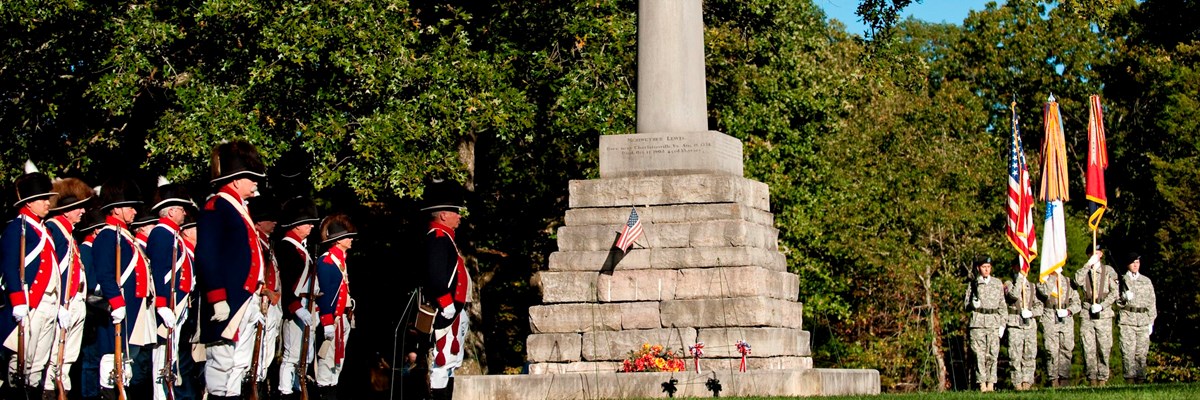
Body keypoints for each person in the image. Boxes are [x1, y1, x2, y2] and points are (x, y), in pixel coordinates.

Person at [196, 140, 268, 400]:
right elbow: (207, 256)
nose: (256, 182)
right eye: (251, 177)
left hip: (245, 297)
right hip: (228, 298)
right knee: (221, 364)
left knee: (238, 365)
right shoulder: (217, 206)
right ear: (236, 180)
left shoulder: (238, 208)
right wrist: (217, 297)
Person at [92, 176, 156, 398]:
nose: (135, 212)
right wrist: (116, 302)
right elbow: (105, 273)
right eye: (130, 207)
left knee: (126, 362)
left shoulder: (124, 236)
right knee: (112, 362)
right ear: (117, 209)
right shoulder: (108, 236)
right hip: (118, 309)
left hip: (133, 309)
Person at [1, 161, 61, 398]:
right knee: (22, 363)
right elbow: (9, 265)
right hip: (30, 302)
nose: (48, 202)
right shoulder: (17, 228)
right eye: (43, 198)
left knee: (39, 364)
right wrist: (17, 299)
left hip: (49, 303)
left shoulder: (44, 229)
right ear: (28, 202)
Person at [44, 177, 95, 396]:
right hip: (61, 303)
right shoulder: (54, 229)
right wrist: (59, 305)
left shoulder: (68, 232)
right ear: (65, 211)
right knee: (54, 357)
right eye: (78, 207)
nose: (83, 211)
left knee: (67, 359)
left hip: (74, 301)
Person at [146, 177, 196, 400]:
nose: (185, 213)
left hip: (179, 303)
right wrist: (162, 305)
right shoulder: (161, 233)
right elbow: (159, 272)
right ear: (172, 211)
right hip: (168, 304)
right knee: (162, 359)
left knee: (171, 357)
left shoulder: (172, 233)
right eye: (182, 209)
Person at [422, 179, 470, 400]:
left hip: (453, 311)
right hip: (445, 311)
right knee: (442, 362)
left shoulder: (445, 238)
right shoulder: (439, 239)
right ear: (443, 215)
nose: (459, 216)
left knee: (450, 362)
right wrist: (447, 304)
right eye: (455, 212)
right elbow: (435, 275)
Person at [276, 197, 319, 399]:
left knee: (305, 354)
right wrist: (295, 307)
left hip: (306, 305)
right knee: (291, 354)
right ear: (297, 225)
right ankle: (286, 392)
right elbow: (285, 280)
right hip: (296, 306)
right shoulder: (286, 247)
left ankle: (295, 386)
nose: (311, 226)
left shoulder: (301, 247)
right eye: (308, 223)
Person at [313, 214, 357, 399]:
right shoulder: (327, 261)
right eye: (348, 237)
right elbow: (325, 294)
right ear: (338, 241)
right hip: (332, 320)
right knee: (326, 363)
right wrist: (328, 321)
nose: (351, 239)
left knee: (336, 364)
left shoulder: (340, 260)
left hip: (342, 319)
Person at [248, 195, 283, 398]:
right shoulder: (256, 242)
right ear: (260, 221)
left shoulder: (266, 243)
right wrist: (265, 291)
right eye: (270, 218)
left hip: (270, 305)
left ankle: (258, 386)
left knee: (266, 353)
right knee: (255, 353)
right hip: (260, 303)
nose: (275, 222)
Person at [1075, 245, 1119, 386]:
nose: (1095, 255)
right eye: (1092, 253)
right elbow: (1077, 281)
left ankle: (1103, 379)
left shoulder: (1108, 271)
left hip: (1103, 314)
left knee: (1104, 348)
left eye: (1097, 253)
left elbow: (1115, 292)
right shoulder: (1084, 271)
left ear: (1101, 254)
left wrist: (1102, 305)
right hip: (1087, 313)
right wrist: (1088, 265)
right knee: (1088, 349)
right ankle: (1092, 379)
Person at [964, 255, 1005, 392]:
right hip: (978, 323)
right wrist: (972, 304)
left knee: (993, 354)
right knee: (979, 354)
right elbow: (966, 305)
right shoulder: (973, 283)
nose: (986, 270)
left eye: (988, 267)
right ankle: (981, 383)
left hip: (993, 322)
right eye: (983, 267)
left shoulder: (998, 283)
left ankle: (991, 383)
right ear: (978, 268)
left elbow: (1002, 306)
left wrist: (1002, 324)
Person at [1118, 252, 1156, 384]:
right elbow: (1116, 301)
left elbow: (1152, 302)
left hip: (1143, 320)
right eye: (1133, 262)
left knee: (1142, 353)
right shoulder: (1122, 280)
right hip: (1127, 321)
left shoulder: (1146, 281)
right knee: (1128, 352)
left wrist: (1151, 321)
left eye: (1137, 262)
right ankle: (1129, 381)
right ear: (1128, 264)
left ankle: (1140, 381)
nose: (1135, 265)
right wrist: (1123, 297)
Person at [1038, 268, 1081, 387]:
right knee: (1051, 351)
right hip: (1050, 317)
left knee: (1066, 349)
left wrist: (1068, 311)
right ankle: (1053, 380)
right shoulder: (1043, 281)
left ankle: (1065, 380)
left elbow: (1077, 303)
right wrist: (1053, 276)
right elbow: (1045, 292)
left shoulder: (1068, 282)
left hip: (1066, 320)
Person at [1003, 267, 1043, 390]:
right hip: (1015, 325)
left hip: (1029, 325)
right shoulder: (1009, 284)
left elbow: (1040, 306)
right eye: (1018, 267)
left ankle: (1027, 382)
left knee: (1029, 354)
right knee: (1015, 356)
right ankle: (1017, 383)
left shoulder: (1032, 287)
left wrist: (1031, 313)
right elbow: (1013, 296)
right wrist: (1020, 279)